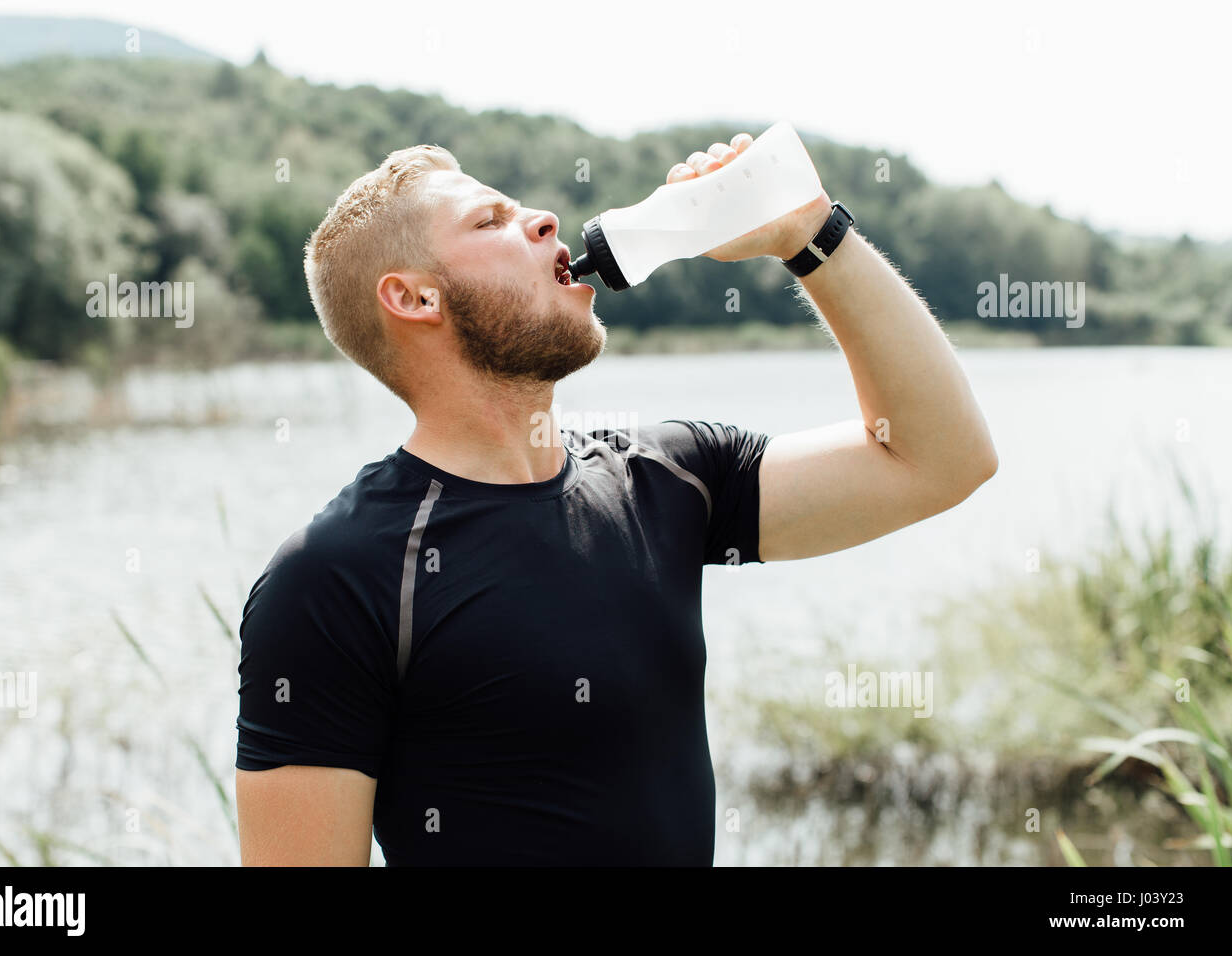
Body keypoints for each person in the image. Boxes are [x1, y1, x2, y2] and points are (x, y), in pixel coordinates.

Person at [234, 131, 998, 866]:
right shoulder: (333, 578)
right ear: (414, 297)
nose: (544, 219)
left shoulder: (672, 478)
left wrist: (812, 235)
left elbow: (939, 460)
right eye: (490, 220)